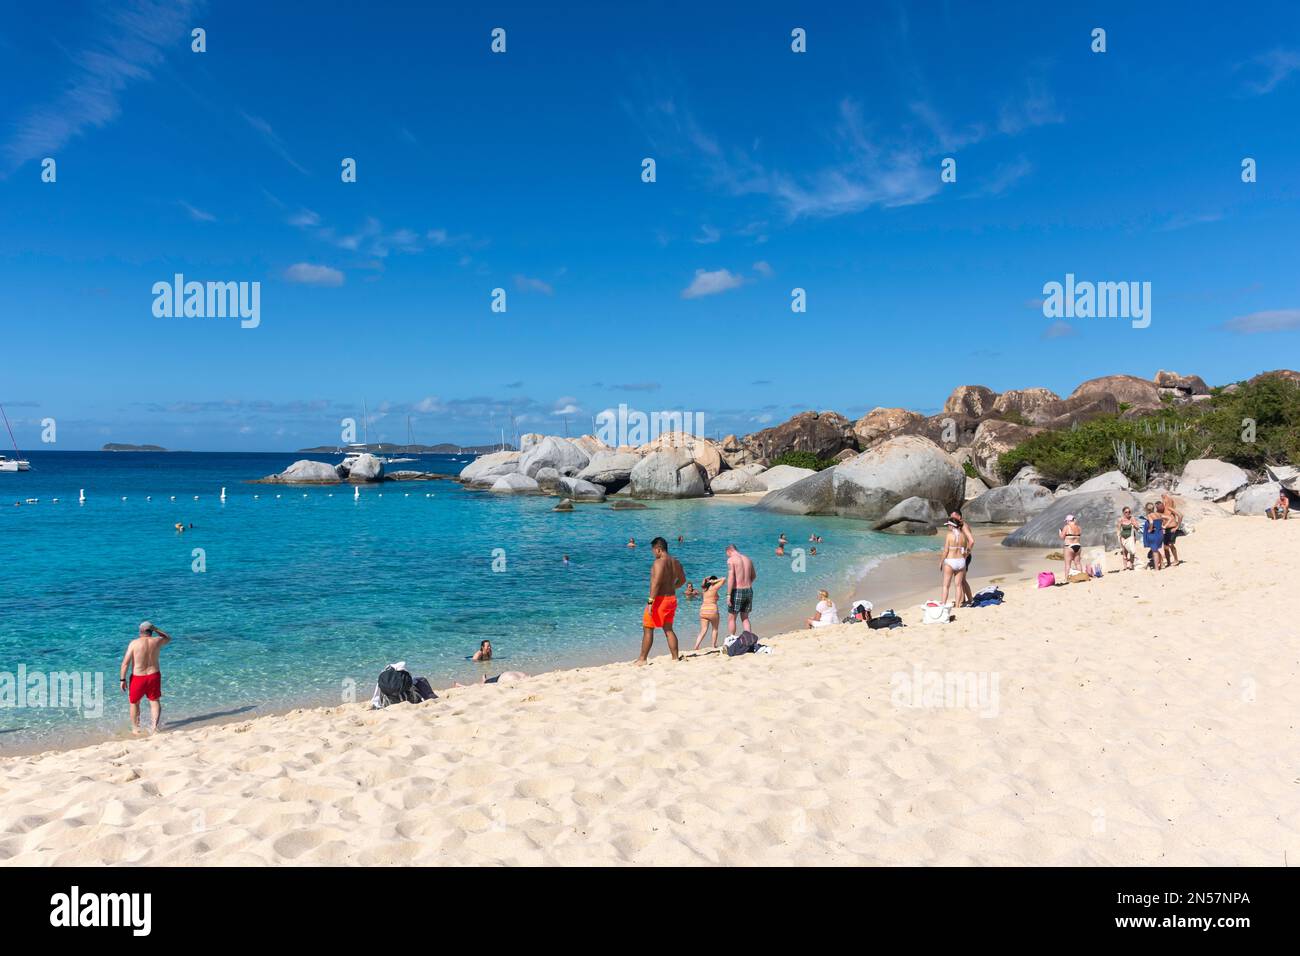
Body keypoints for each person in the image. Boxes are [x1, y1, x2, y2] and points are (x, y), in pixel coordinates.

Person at [636, 536, 685, 664]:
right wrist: (673, 587)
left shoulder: (658, 563)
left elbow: (656, 583)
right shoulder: (676, 562)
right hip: (671, 599)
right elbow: (683, 580)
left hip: (659, 600)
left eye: (653, 550)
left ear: (658, 549)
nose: (653, 554)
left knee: (648, 628)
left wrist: (651, 602)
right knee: (668, 629)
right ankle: (675, 658)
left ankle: (642, 659)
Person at [119, 621, 172, 735]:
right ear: (151, 631)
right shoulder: (157, 641)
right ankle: (154, 727)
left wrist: (122, 679)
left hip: (138, 677)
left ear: (140, 631)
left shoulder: (134, 643)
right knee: (154, 701)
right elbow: (168, 638)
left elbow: (125, 663)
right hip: (154, 675)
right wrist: (156, 629)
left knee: (134, 703)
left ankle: (135, 728)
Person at [725, 543, 757, 637]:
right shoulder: (748, 559)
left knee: (732, 618)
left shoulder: (731, 560)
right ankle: (749, 639)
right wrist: (747, 584)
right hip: (748, 590)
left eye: (727, 554)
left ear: (729, 551)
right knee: (745, 618)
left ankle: (732, 639)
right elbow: (754, 576)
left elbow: (731, 577)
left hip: (737, 591)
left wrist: (728, 595)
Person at [939, 519, 968, 606]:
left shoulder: (949, 535)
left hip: (950, 561)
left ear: (952, 525)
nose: (947, 527)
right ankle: (958, 605)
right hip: (961, 561)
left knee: (945, 585)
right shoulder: (963, 536)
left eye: (948, 525)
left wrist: (941, 561)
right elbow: (965, 551)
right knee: (958, 586)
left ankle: (943, 604)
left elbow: (945, 550)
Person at [693, 575, 726, 651]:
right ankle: (713, 645)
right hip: (712, 610)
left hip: (703, 610)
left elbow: (703, 583)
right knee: (715, 629)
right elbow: (724, 579)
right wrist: (715, 581)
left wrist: (705, 579)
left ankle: (696, 646)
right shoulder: (714, 587)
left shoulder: (704, 589)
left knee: (703, 630)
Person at [950, 512, 976, 605]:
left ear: (959, 516)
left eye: (953, 516)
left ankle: (969, 600)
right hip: (961, 556)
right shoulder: (959, 526)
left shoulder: (964, 526)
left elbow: (971, 541)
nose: (951, 518)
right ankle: (964, 600)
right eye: (950, 516)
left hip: (964, 556)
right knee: (961, 580)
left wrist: (966, 554)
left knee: (961, 580)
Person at [1058, 514, 1083, 578]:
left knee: (1067, 564)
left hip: (1069, 546)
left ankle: (1066, 578)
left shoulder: (1067, 527)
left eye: (1067, 521)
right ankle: (1081, 576)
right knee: (1077, 563)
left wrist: (1060, 532)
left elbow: (1062, 537)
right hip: (1078, 546)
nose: (1066, 522)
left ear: (1069, 521)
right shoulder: (1079, 527)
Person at [1142, 502, 1165, 570]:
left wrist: (1150, 529)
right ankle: (1162, 563)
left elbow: (1151, 522)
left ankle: (1156, 568)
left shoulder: (1149, 515)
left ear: (1146, 509)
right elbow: (1162, 522)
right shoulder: (1158, 514)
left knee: (1154, 551)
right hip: (1159, 534)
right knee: (1156, 550)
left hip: (1153, 534)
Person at [1116, 506, 1140, 571]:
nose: (1128, 513)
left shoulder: (1132, 518)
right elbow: (1118, 530)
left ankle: (1131, 566)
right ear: (1123, 513)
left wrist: (1134, 524)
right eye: (1126, 512)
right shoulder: (1120, 519)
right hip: (1123, 538)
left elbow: (1137, 528)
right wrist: (1119, 539)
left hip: (1131, 537)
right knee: (1124, 552)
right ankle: (1125, 567)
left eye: (1129, 512)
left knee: (1132, 552)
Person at [1161, 499, 1182, 567]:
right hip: (1166, 529)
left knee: (1170, 544)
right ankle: (1168, 561)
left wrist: (1177, 527)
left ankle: (1176, 560)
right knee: (1165, 546)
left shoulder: (1169, 508)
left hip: (1172, 529)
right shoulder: (1163, 510)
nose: (1163, 502)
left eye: (1164, 501)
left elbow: (1180, 515)